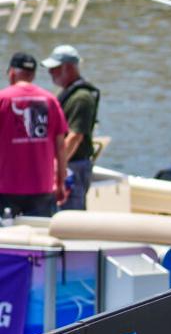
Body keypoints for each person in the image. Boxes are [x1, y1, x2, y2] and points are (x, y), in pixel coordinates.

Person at [0, 52, 68, 218]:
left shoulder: (3, 99)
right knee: (40, 238)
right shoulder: (50, 100)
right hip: (42, 187)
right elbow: (61, 146)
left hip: (6, 187)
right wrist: (60, 182)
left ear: (12, 73)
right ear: (33, 75)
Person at [43, 44, 98, 211]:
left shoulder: (81, 98)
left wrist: (55, 168)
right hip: (67, 163)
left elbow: (75, 137)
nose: (50, 73)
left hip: (74, 165)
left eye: (54, 68)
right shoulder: (68, 93)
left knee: (70, 213)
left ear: (67, 68)